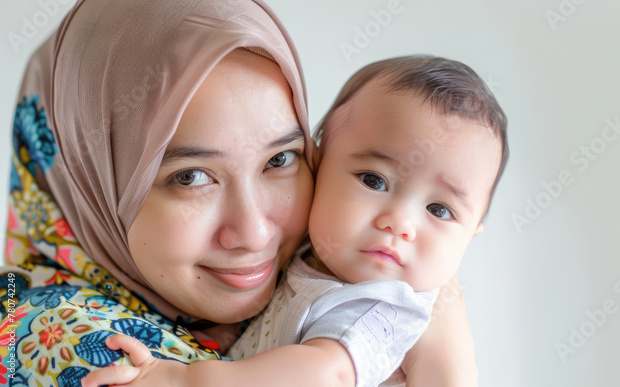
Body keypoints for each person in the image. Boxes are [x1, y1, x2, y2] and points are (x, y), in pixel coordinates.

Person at [2, 1, 475, 386]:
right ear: (88, 179)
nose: (252, 233)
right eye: (190, 177)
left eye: (280, 159)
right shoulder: (66, 347)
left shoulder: (331, 269)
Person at [82, 55, 507, 387]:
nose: (399, 223)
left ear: (470, 235)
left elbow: (324, 374)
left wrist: (187, 377)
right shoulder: (310, 256)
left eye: (439, 210)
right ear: (317, 164)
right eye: (374, 180)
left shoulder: (378, 308)